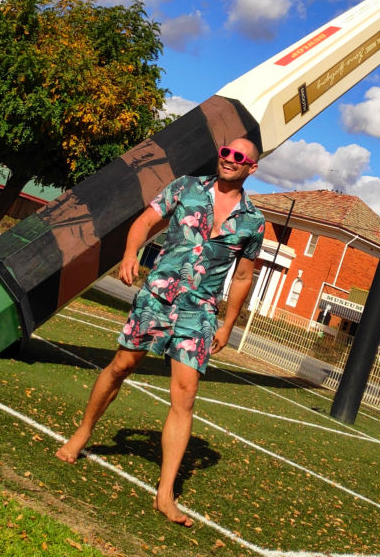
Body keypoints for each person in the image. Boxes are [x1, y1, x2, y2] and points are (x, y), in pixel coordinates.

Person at [55, 137, 265, 527]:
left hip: (198, 312)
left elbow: (243, 276)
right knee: (121, 366)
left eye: (239, 157)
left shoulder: (253, 221)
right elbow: (145, 221)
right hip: (158, 295)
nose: (229, 159)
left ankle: (165, 492)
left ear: (252, 168)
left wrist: (228, 323)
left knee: (184, 396)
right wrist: (131, 253)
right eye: (226, 152)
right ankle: (83, 434)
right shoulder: (186, 187)